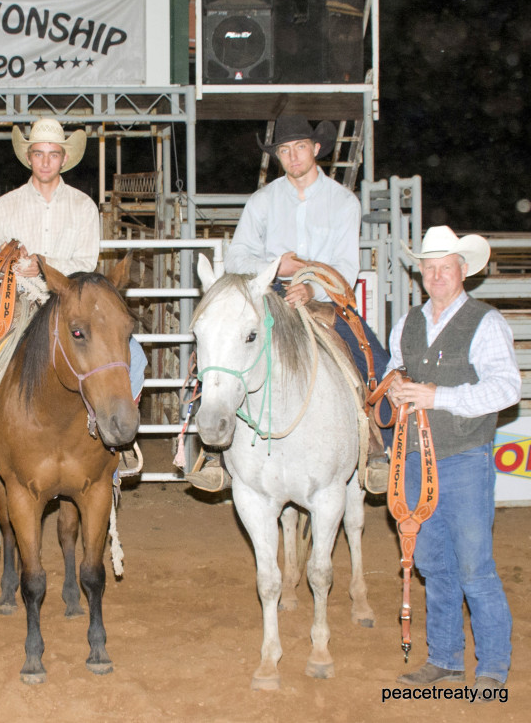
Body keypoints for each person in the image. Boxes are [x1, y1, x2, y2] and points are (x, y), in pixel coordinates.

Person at [203, 114, 391, 491]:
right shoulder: (263, 201)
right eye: (284, 151)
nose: (293, 157)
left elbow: (346, 266)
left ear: (316, 149)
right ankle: (211, 449)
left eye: (300, 148)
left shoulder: (343, 202)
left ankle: (376, 443)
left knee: (372, 358)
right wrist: (274, 269)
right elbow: (238, 256)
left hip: (323, 300)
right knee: (216, 349)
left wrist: (311, 286)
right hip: (268, 297)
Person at [0, 117, 147, 469]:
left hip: (71, 304)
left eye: (53, 154)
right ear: (29, 157)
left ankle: (116, 439)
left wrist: (43, 265)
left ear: (63, 159)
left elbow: (86, 260)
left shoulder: (83, 207)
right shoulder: (3, 207)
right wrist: (9, 266)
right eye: (39, 153)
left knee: (135, 358)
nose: (46, 161)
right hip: (16, 300)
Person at [387, 226, 519, 699]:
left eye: (447, 266)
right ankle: (444, 659)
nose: (438, 274)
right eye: (430, 267)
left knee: (473, 567)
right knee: (431, 561)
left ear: (464, 271)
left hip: (464, 458)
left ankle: (492, 667)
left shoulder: (485, 322)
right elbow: (393, 371)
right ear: (420, 272)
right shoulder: (407, 324)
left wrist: (436, 395)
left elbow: (506, 389)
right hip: (416, 460)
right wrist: (397, 386)